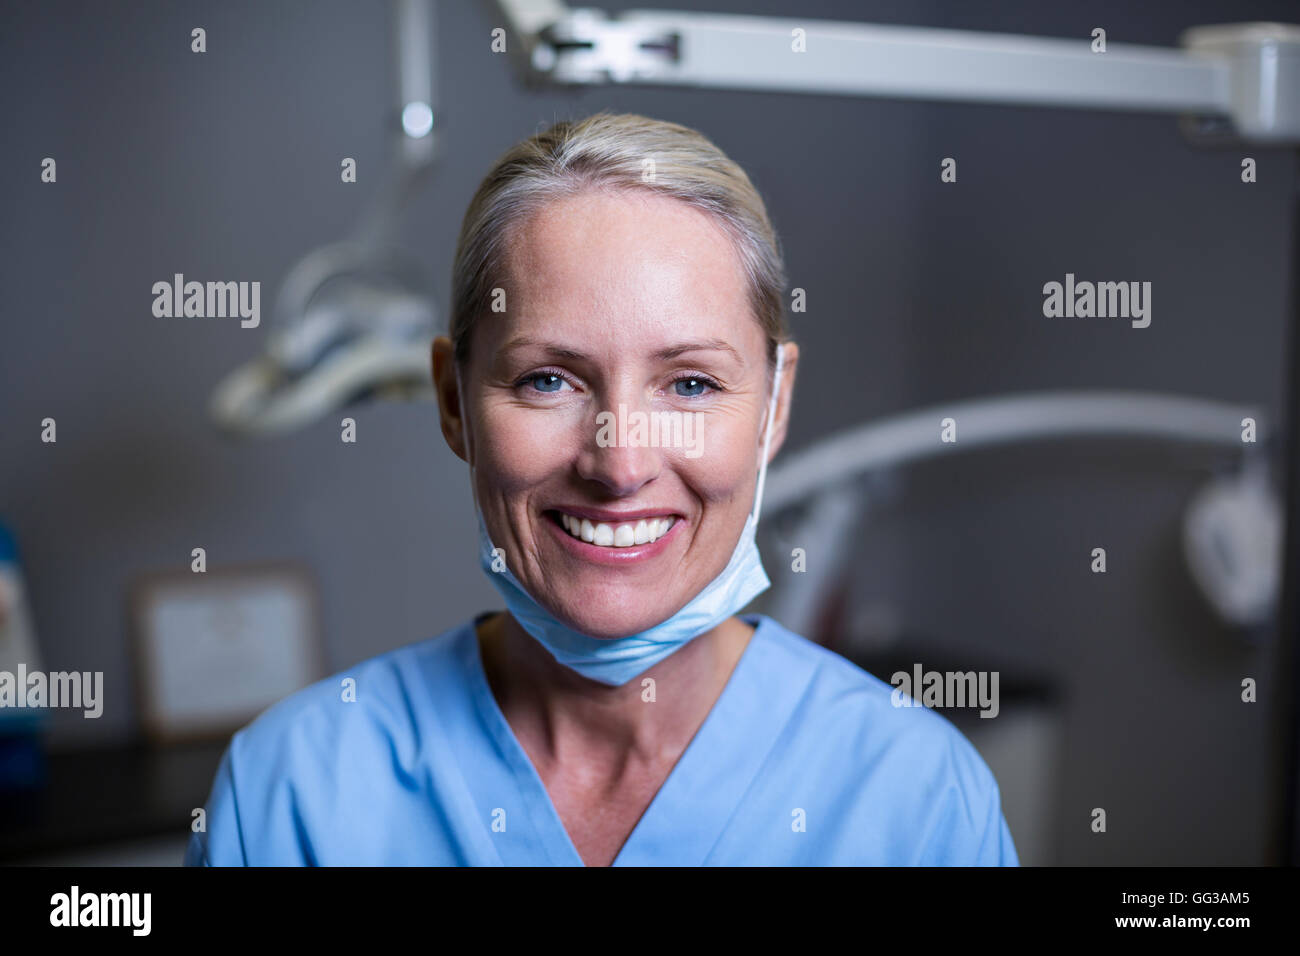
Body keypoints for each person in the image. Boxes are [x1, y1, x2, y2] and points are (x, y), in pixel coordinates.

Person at [185, 111, 1019, 866]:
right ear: (452, 402)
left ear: (774, 406)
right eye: (550, 380)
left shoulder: (915, 799)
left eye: (690, 385)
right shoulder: (294, 794)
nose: (619, 466)